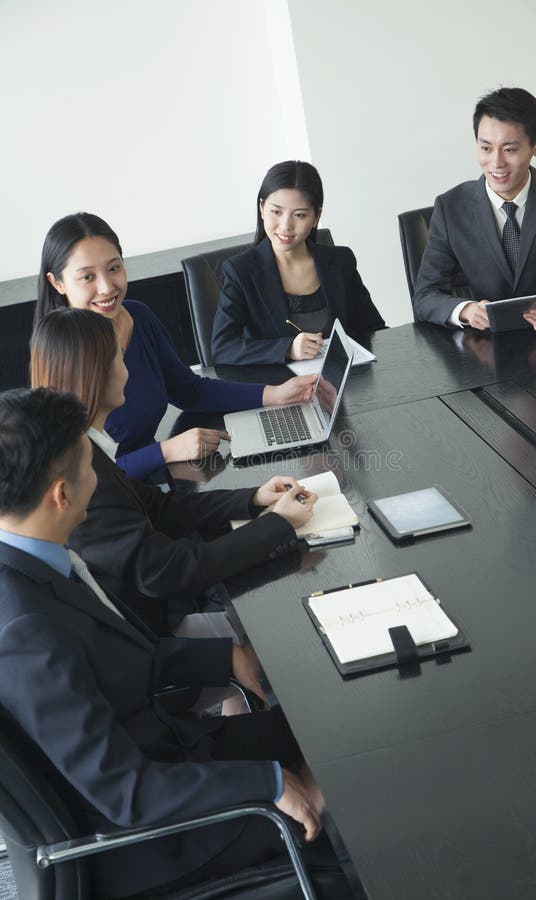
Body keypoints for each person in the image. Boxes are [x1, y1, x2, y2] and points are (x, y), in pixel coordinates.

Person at [0, 387, 348, 898]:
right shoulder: (22, 627)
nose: (101, 475)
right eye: (89, 465)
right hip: (154, 839)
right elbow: (126, 791)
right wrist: (271, 783)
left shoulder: (34, 562)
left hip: (177, 754)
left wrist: (224, 657)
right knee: (356, 787)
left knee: (336, 724)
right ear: (60, 494)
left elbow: (116, 660)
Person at [30, 308, 316, 647]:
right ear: (96, 375)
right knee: (295, 635)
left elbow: (159, 507)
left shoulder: (83, 445)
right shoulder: (84, 472)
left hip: (152, 614)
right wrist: (279, 523)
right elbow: (173, 570)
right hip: (153, 639)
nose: (128, 371)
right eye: (120, 359)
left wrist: (253, 499)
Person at [35, 212, 317, 480]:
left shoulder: (138, 317)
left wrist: (275, 394)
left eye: (114, 267)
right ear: (57, 282)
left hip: (158, 486)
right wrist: (165, 451)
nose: (107, 287)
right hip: (109, 508)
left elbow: (189, 391)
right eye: (87, 277)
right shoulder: (61, 357)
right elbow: (78, 477)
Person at [412, 87, 536, 334]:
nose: (496, 163)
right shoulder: (450, 207)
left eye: (510, 149)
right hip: (482, 350)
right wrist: (466, 310)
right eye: (486, 148)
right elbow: (426, 295)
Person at [211, 159, 386, 365]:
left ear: (316, 216)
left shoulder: (341, 261)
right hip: (280, 389)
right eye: (276, 212)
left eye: (300, 215)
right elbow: (222, 347)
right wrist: (288, 349)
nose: (286, 226)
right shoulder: (240, 271)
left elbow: (374, 330)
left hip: (345, 384)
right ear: (261, 208)